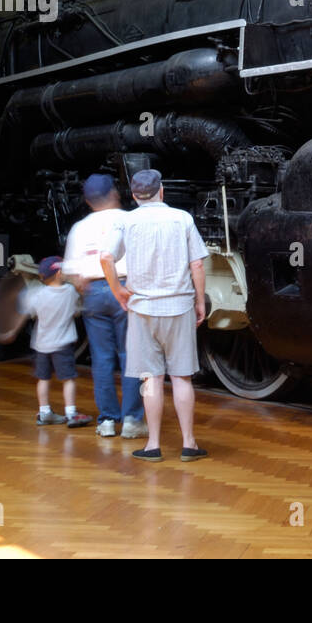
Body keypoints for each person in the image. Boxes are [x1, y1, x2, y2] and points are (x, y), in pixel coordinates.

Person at [100, 169, 208, 462]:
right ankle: (188, 444)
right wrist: (200, 301)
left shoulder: (127, 220)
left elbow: (106, 257)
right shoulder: (182, 218)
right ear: (161, 191)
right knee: (182, 377)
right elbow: (197, 264)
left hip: (143, 309)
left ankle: (153, 445)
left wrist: (118, 290)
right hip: (179, 307)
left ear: (135, 196)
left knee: (151, 378)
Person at [62, 174, 146, 439]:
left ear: (88, 201)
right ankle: (132, 419)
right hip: (125, 288)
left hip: (93, 291)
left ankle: (108, 420)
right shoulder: (130, 220)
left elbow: (73, 275)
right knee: (130, 356)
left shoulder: (79, 228)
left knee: (101, 357)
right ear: (115, 193)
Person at [19, 256, 93, 428]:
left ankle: (44, 413)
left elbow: (28, 308)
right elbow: (77, 311)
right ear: (60, 272)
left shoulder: (37, 294)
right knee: (68, 379)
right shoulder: (70, 292)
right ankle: (71, 413)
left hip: (41, 344)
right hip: (63, 344)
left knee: (43, 379)